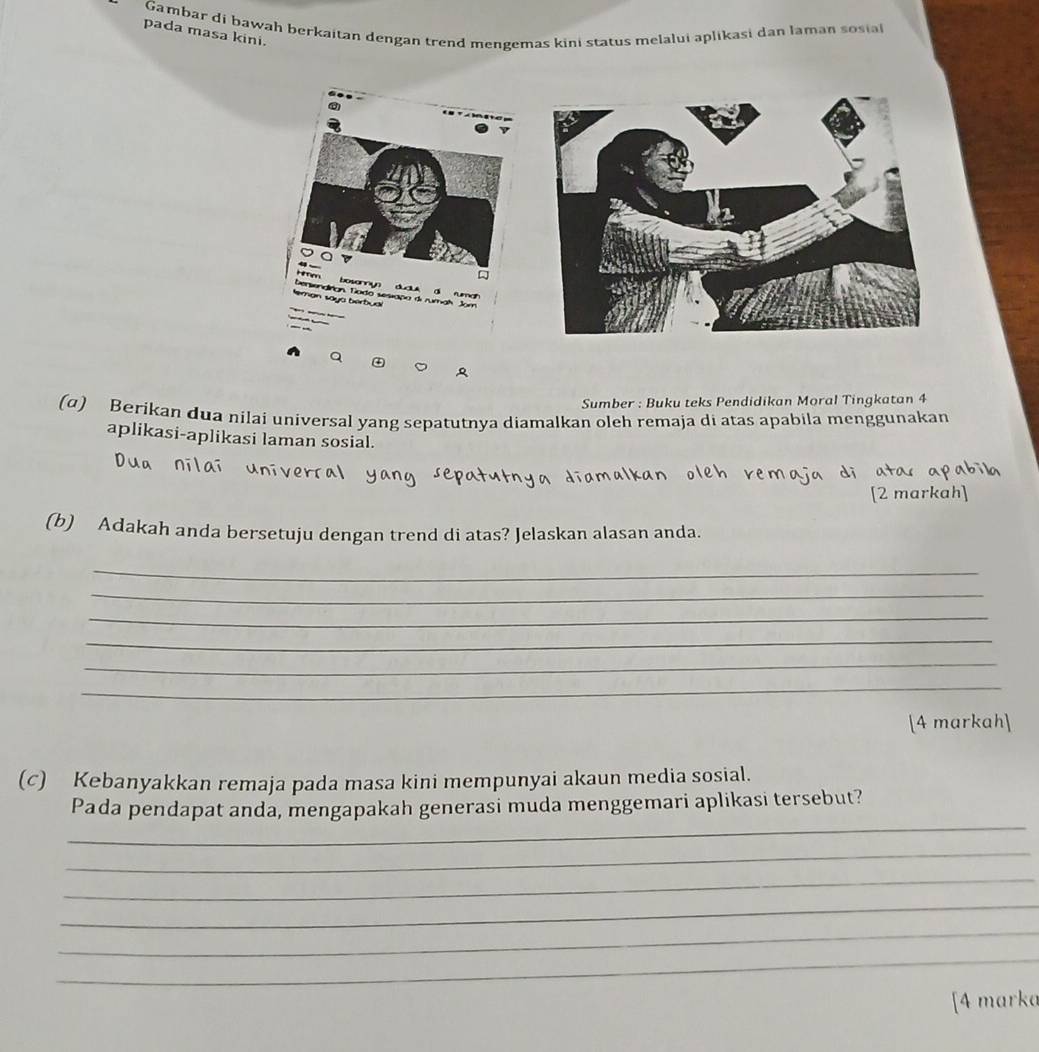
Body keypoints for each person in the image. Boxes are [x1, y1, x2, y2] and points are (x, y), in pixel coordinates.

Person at [595, 128, 884, 334]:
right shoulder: (631, 227)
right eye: (670, 159)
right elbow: (751, 250)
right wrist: (850, 195)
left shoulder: (645, 220)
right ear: (628, 166)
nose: (682, 169)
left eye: (683, 161)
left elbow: (669, 262)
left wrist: (708, 232)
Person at [332, 146, 478, 266]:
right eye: (389, 189)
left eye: (423, 191)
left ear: (439, 197)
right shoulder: (356, 234)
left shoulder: (459, 260)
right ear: (371, 191)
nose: (405, 201)